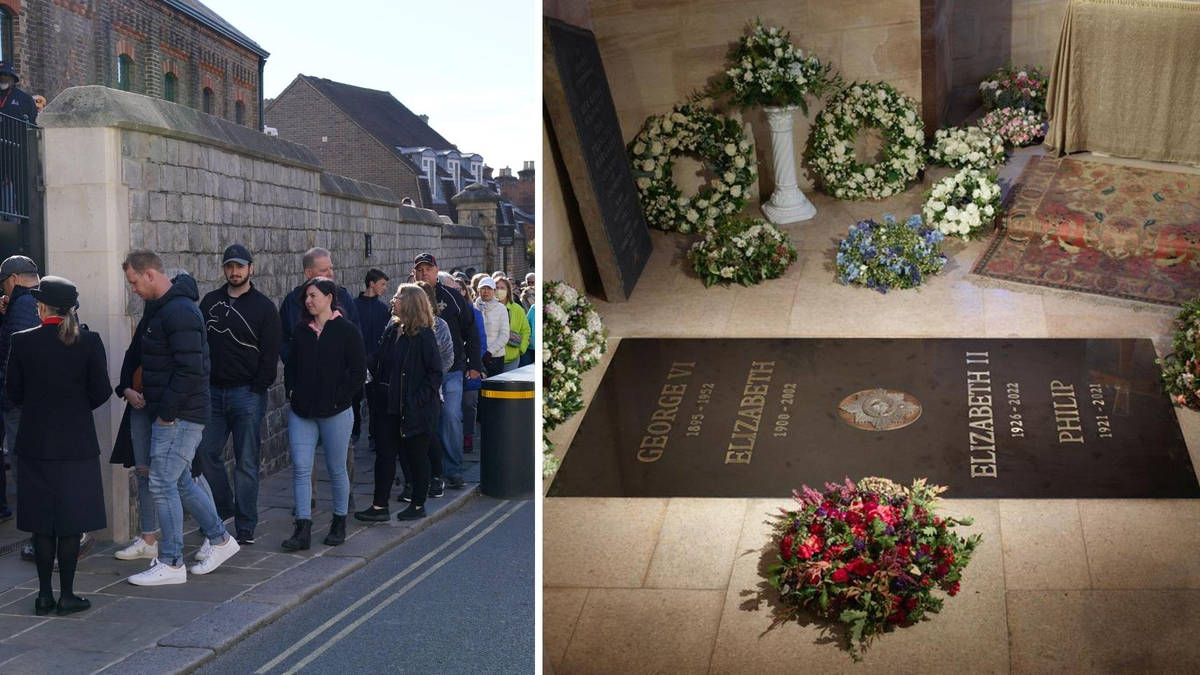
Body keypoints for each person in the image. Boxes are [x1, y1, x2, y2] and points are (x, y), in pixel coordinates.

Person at [121, 251, 239, 586]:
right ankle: (219, 539)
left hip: (180, 416)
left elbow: (191, 370)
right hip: (174, 413)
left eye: (133, 282)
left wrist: (167, 415)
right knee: (180, 480)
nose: (132, 289)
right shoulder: (162, 309)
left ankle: (173, 562)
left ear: (150, 275)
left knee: (161, 481)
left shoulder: (180, 310)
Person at [6, 276, 109, 615]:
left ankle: (43, 595)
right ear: (71, 309)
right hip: (76, 444)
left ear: (41, 308)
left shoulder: (22, 342)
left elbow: (13, 394)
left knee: (41, 522)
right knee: (70, 522)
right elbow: (101, 392)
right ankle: (66, 595)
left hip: (35, 442)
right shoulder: (89, 342)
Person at [195, 245, 281, 546]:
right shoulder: (209, 302)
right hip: (213, 393)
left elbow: (271, 354)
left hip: (247, 393)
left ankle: (246, 525)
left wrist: (258, 388)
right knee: (205, 454)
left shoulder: (264, 307)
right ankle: (223, 510)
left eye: (240, 267)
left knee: (247, 462)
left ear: (251, 269)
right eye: (230, 266)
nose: (235, 272)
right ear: (224, 269)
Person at [282, 277, 365, 550]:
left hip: (335, 413)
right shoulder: (301, 330)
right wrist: (291, 391)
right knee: (301, 468)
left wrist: (339, 399)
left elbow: (357, 373)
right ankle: (302, 528)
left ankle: (339, 522)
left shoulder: (346, 330)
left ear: (329, 297)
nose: (308, 301)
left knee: (336, 468)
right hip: (302, 412)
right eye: (306, 296)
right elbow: (291, 366)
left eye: (313, 295)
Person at [355, 284, 442, 522]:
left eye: (398, 297)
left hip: (415, 410)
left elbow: (435, 374)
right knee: (384, 455)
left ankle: (417, 505)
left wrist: (415, 401)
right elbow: (379, 360)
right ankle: (379, 506)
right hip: (387, 407)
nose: (393, 300)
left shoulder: (424, 336)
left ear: (411, 303)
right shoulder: (393, 329)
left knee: (416, 457)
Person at [412, 253, 481, 491]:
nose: (423, 274)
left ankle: (453, 469)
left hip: (452, 369)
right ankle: (430, 470)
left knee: (450, 416)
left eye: (427, 269)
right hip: (419, 373)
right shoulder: (409, 298)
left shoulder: (452, 297)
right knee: (426, 421)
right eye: (419, 270)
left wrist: (474, 366)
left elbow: (471, 332)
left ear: (436, 270)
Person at [0, 254, 40, 523]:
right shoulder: (36, 300)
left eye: (3, 283)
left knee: (25, 468)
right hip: (30, 401)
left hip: (20, 403)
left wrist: (9, 398)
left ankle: (38, 533)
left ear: (13, 279)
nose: (2, 289)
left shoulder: (24, 304)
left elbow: (20, 356)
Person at [353, 268, 391, 447]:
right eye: (382, 284)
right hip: (356, 359)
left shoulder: (383, 308)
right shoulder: (353, 306)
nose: (384, 288)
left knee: (376, 401)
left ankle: (374, 437)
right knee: (353, 398)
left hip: (377, 361)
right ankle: (354, 432)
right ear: (371, 283)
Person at [451, 273, 487, 456]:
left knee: (469, 404)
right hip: (454, 366)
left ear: (465, 291)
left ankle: (468, 437)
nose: (456, 292)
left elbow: (479, 341)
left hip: (469, 367)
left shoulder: (473, 312)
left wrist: (472, 364)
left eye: (460, 289)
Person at [494, 276, 530, 373]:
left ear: (508, 290)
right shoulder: (488, 308)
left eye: (502, 288)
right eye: (496, 288)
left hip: (512, 357)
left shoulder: (517, 309)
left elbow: (525, 330)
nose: (499, 290)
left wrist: (521, 348)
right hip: (493, 357)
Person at [475, 276, 509, 376]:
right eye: (483, 288)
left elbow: (504, 335)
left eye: (489, 289)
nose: (486, 291)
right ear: (478, 290)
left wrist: (490, 352)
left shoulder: (501, 308)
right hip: (477, 356)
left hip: (495, 357)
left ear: (494, 291)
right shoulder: (474, 308)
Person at [520, 287, 536, 368]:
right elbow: (526, 326)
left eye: (533, 294)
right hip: (529, 347)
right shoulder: (533, 309)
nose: (532, 297)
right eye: (530, 295)